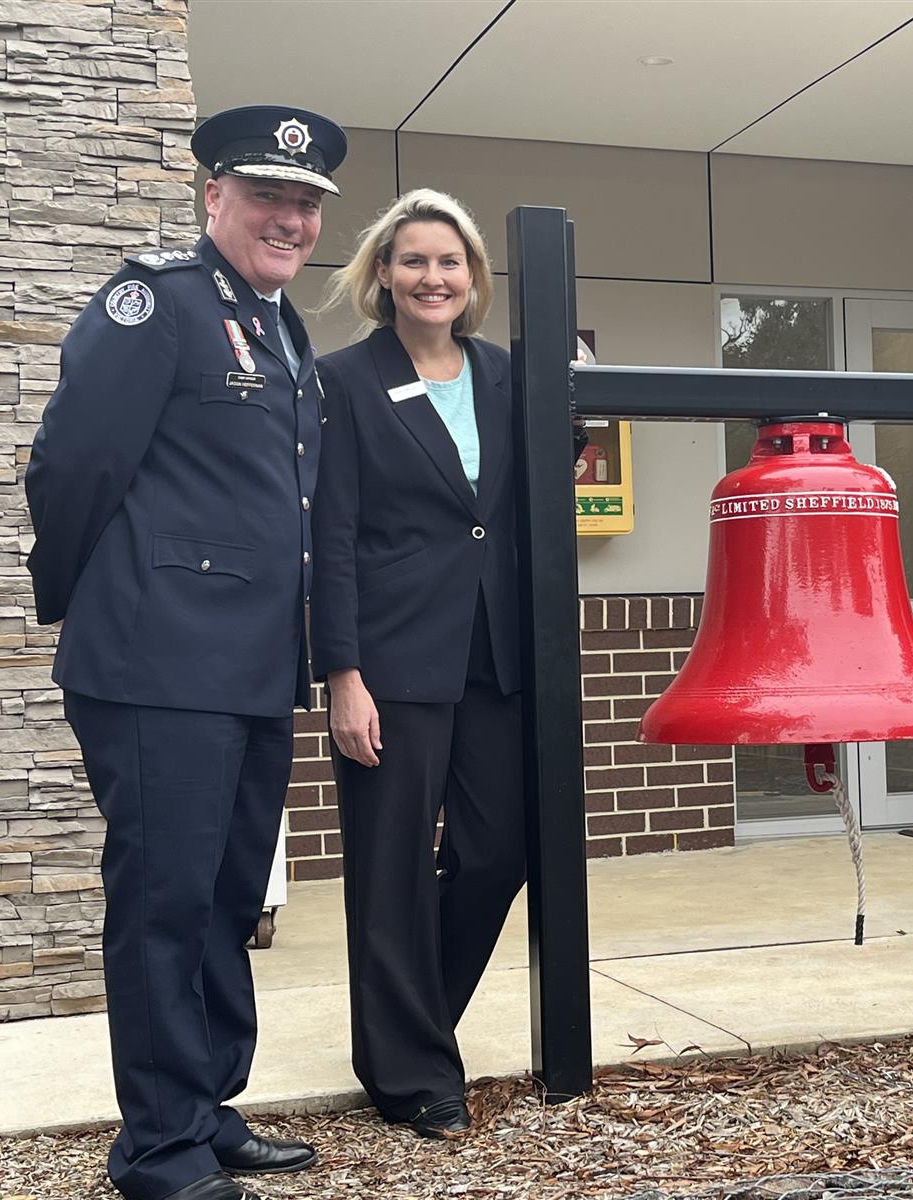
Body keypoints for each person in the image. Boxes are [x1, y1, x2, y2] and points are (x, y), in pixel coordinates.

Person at [25, 105, 346, 1200]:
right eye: (266, 197)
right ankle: (159, 1151)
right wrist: (91, 599)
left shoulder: (279, 326)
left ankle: (204, 1111)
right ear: (214, 196)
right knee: (165, 902)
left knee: (223, 899)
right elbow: (72, 463)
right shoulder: (155, 301)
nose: (289, 219)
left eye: (304, 204)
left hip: (252, 665)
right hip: (159, 661)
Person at [312, 190, 588, 1139]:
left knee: (499, 851)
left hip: (496, 654)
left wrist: (575, 412)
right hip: (391, 660)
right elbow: (330, 536)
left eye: (450, 262)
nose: (433, 278)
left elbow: (525, 495)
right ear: (383, 275)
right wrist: (342, 674)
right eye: (414, 261)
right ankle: (412, 1073)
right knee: (389, 871)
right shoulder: (343, 381)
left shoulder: (507, 373)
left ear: (474, 277)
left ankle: (411, 1026)